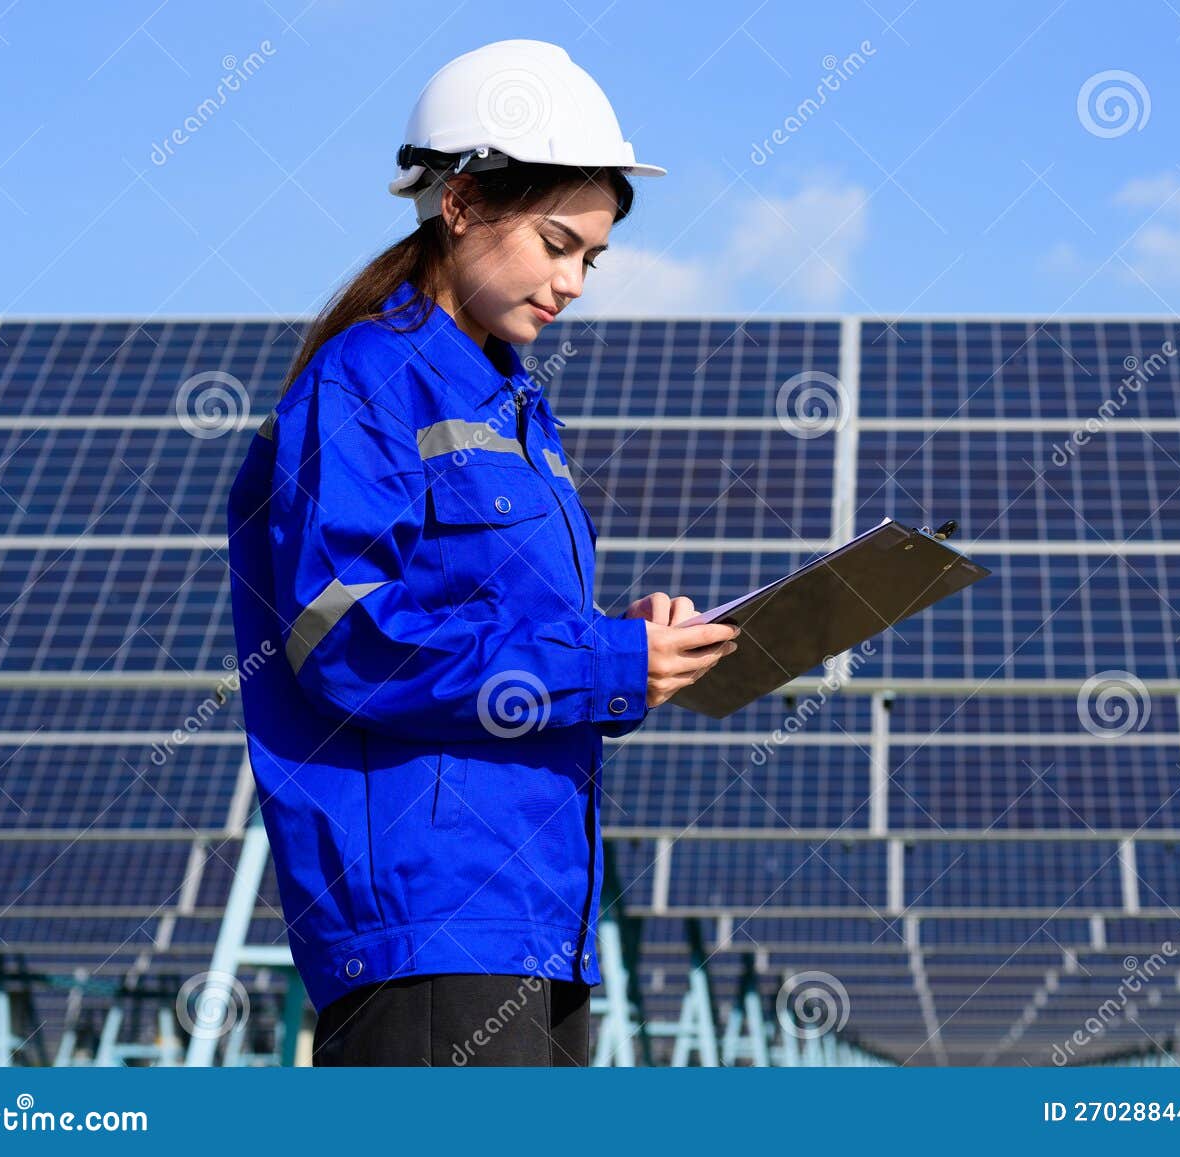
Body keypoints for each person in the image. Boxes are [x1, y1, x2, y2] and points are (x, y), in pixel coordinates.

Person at [225, 38, 739, 1066]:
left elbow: (486, 635)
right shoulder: (366, 380)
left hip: (535, 910)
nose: (576, 281)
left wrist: (621, 650)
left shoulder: (512, 407)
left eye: (590, 257)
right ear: (459, 203)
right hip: (428, 921)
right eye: (557, 243)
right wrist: (598, 663)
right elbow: (349, 639)